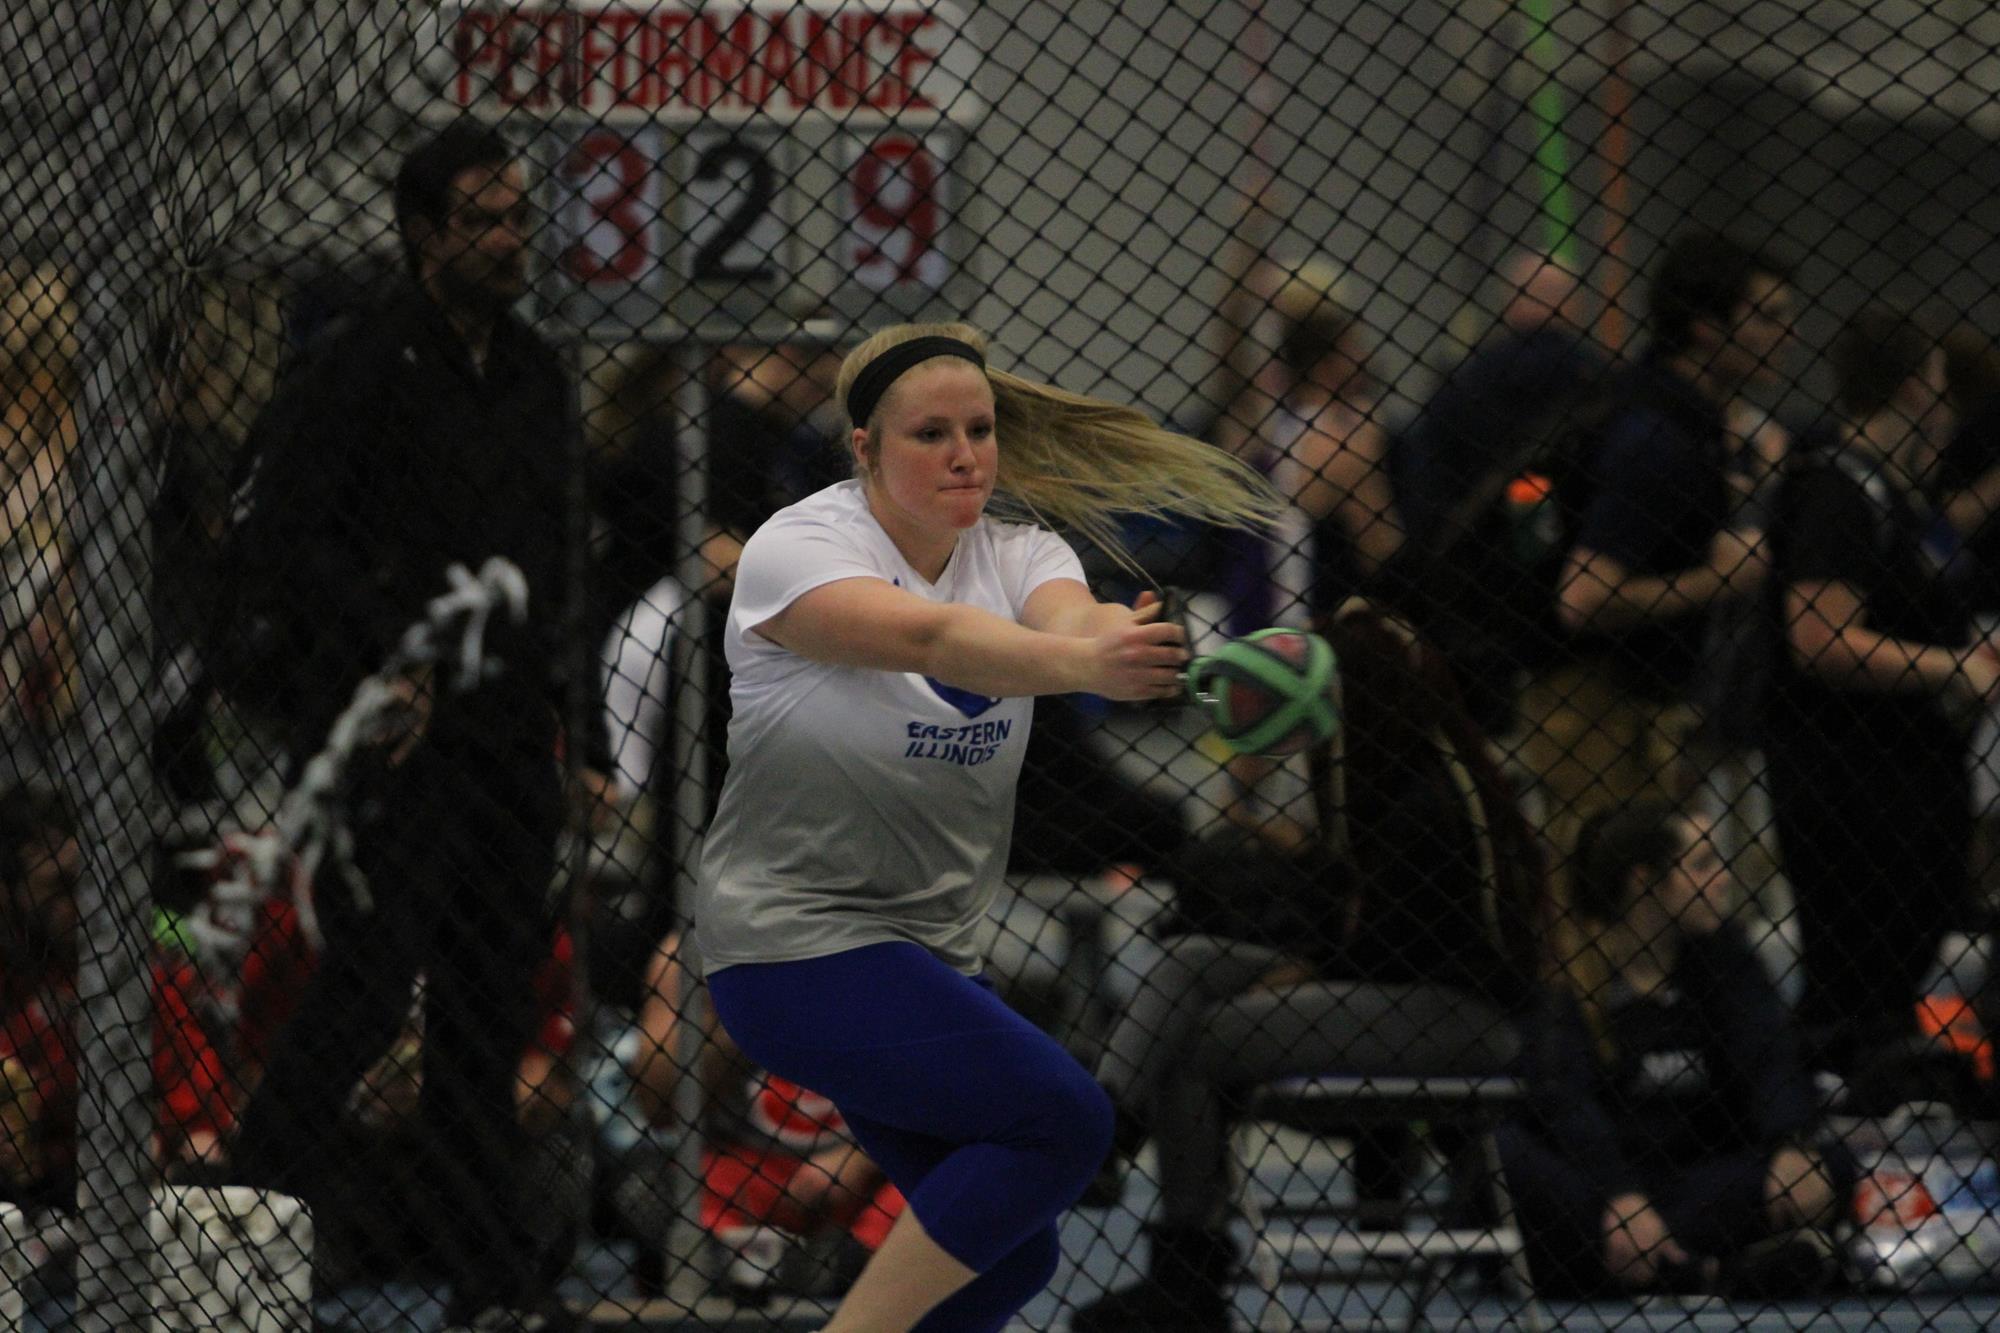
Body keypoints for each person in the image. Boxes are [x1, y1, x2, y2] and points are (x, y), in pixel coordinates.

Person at [692, 320, 1279, 1333]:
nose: (964, 453)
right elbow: (932, 636)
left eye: (978, 428)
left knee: (1007, 1252)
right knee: (1064, 1121)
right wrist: (1083, 667)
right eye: (930, 434)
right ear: (864, 448)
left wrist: (1122, 638)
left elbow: (1067, 619)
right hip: (793, 944)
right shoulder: (800, 548)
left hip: (918, 952)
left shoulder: (1016, 550)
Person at [221, 122, 610, 1330]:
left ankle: (485, 1281)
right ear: (422, 231)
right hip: (391, 733)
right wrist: (397, 646)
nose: (506, 241)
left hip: (503, 738)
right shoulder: (356, 365)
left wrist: (578, 728)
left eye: (515, 219)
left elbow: (558, 566)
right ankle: (235, 1237)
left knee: (487, 1010)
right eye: (480, 221)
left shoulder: (539, 373)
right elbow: (281, 539)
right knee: (365, 991)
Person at [1071, 601, 1542, 1333]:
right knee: (1184, 959)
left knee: (1198, 1041)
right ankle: (1104, 1127)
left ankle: (1189, 1277)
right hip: (1385, 988)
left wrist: (1305, 970)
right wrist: (1293, 856)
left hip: (1453, 1014)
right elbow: (1352, 906)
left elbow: (1404, 945)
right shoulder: (1381, 783)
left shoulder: (1425, 802)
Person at [1515, 232, 1791, 897]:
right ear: (1705, 328)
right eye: (1767, 317)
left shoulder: (1660, 407)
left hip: (1618, 697)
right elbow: (1583, 598)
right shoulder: (1657, 442)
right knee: (1604, 902)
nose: (1784, 335)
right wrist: (1718, 580)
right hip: (1593, 705)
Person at [1499, 802, 1855, 1298]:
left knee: (1831, 1162)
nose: (1722, 880)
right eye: (1703, 865)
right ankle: (1711, 1271)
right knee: (1506, 1155)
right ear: (1647, 883)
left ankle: (1671, 1267)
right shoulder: (1572, 979)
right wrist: (1621, 1196)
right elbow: (1567, 1105)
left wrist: (1793, 1142)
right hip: (1606, 1188)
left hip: (1694, 1181)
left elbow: (1769, 1056)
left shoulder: (1725, 959)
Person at [1767, 308, 1992, 1075]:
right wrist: (1951, 669)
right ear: (1912, 388)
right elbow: (1819, 636)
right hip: (1851, 781)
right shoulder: (1839, 489)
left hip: (1897, 774)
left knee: (1886, 980)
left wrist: (1965, 657)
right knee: (1852, 986)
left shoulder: (1892, 493)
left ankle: (1865, 1105)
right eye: (1937, 379)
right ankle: (1830, 1119)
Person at [1390, 252, 1605, 735]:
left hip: (1470, 608)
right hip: (1571, 617)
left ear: (1510, 305)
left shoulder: (1464, 383)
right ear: (1571, 306)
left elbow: (1422, 488)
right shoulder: (1593, 379)